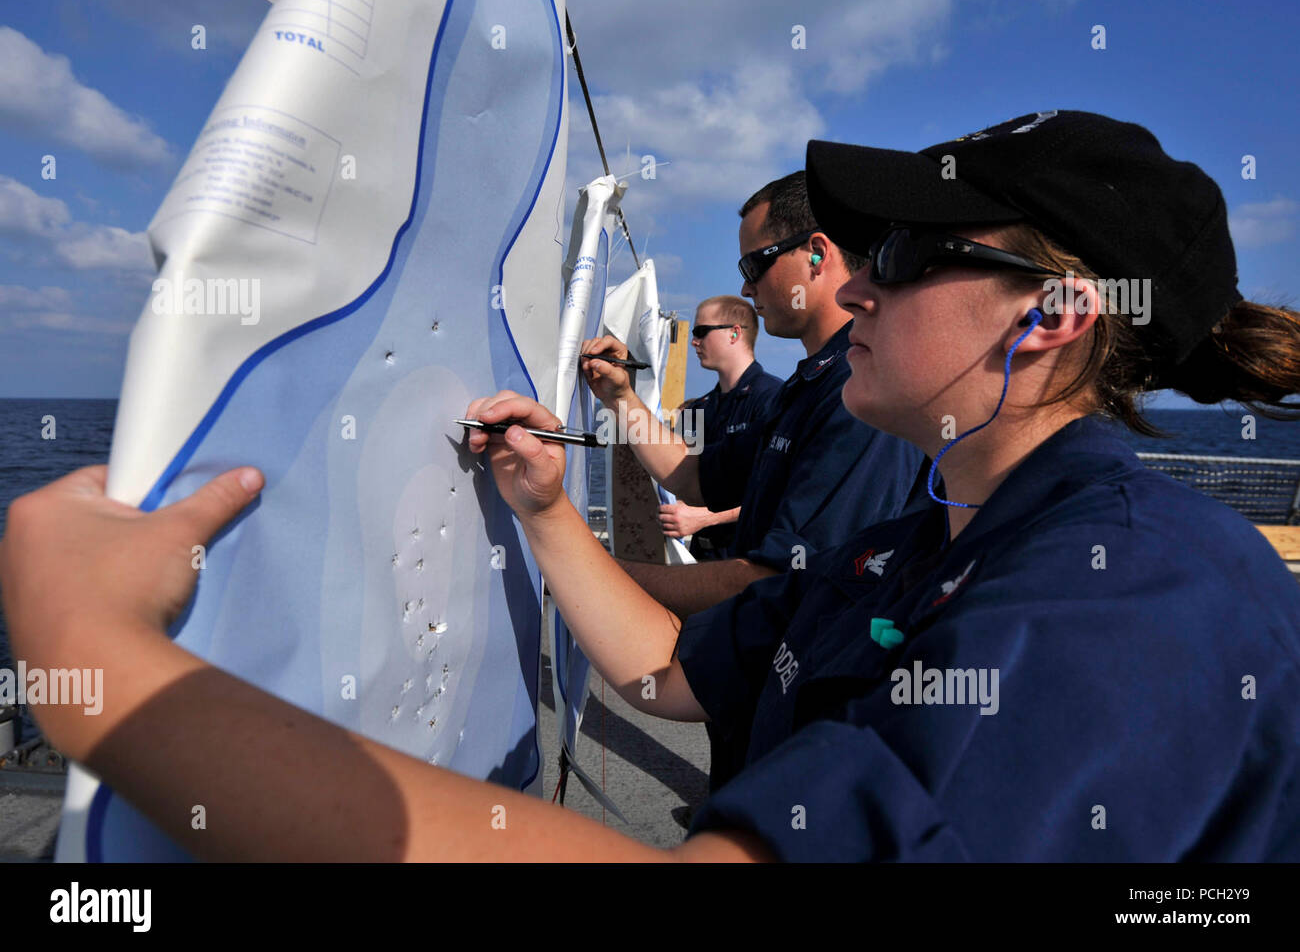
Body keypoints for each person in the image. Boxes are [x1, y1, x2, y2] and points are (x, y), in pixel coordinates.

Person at [4, 110, 1300, 861]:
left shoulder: (1143, 596)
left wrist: (100, 666)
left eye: (907, 252)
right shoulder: (922, 549)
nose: (860, 282)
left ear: (1051, 320)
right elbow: (672, 671)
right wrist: (545, 508)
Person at [581, 171, 924, 618]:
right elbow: (692, 477)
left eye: (754, 265)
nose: (745, 287)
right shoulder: (805, 389)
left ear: (816, 255)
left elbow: (783, 579)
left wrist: (593, 572)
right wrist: (621, 397)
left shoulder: (861, 388)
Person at [660, 296, 781, 561]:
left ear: (734, 333)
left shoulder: (774, 401)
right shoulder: (695, 411)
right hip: (701, 557)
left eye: (701, 332)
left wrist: (704, 517)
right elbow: (683, 483)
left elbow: (778, 492)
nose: (694, 341)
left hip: (748, 560)